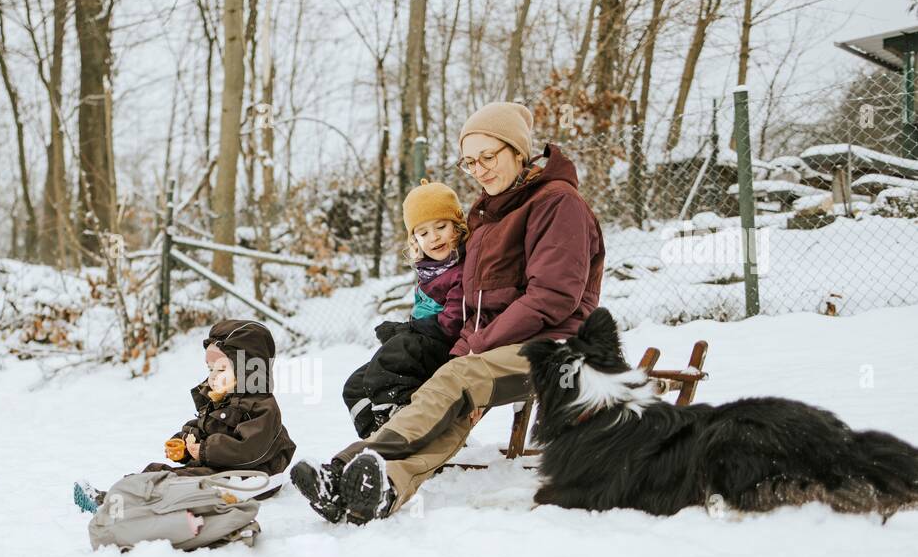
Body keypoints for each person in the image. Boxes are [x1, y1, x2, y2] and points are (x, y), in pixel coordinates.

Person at [292, 101, 605, 524]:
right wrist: (468, 349)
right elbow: (473, 310)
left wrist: (472, 351)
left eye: (488, 157)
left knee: (455, 378)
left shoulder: (556, 203)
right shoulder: (490, 217)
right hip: (496, 352)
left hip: (555, 348)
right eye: (470, 161)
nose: (479, 169)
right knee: (453, 398)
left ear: (517, 150)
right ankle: (382, 487)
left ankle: (345, 465)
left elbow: (551, 297)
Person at [75, 319, 297, 512]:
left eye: (221, 370)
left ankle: (120, 506)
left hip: (248, 479)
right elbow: (203, 428)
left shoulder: (262, 407)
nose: (212, 377)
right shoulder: (223, 400)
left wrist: (204, 450)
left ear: (247, 370)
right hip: (221, 469)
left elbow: (249, 450)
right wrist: (184, 442)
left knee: (174, 483)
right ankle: (113, 499)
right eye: (210, 370)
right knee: (158, 472)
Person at [340, 179, 467, 443]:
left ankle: (404, 433)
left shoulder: (462, 269)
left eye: (441, 227)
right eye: (423, 232)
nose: (433, 237)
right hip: (422, 341)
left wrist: (406, 331)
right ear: (415, 239)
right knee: (355, 385)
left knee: (389, 363)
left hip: (446, 345)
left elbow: (454, 321)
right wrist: (406, 330)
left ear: (457, 226)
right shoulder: (429, 270)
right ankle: (376, 441)